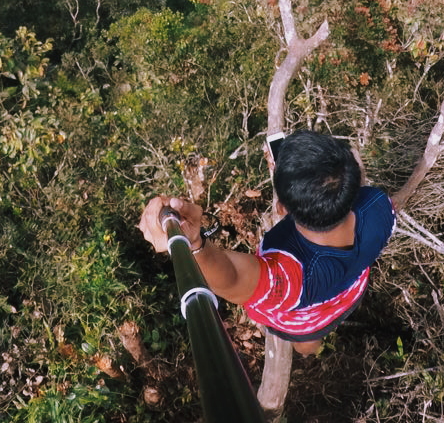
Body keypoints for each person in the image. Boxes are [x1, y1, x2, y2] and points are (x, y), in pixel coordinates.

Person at [139, 130, 395, 356]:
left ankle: (306, 349)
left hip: (304, 319)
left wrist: (193, 243)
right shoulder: (380, 205)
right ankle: (311, 346)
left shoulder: (292, 280)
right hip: (353, 291)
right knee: (318, 331)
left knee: (305, 340)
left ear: (281, 208)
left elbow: (233, 279)